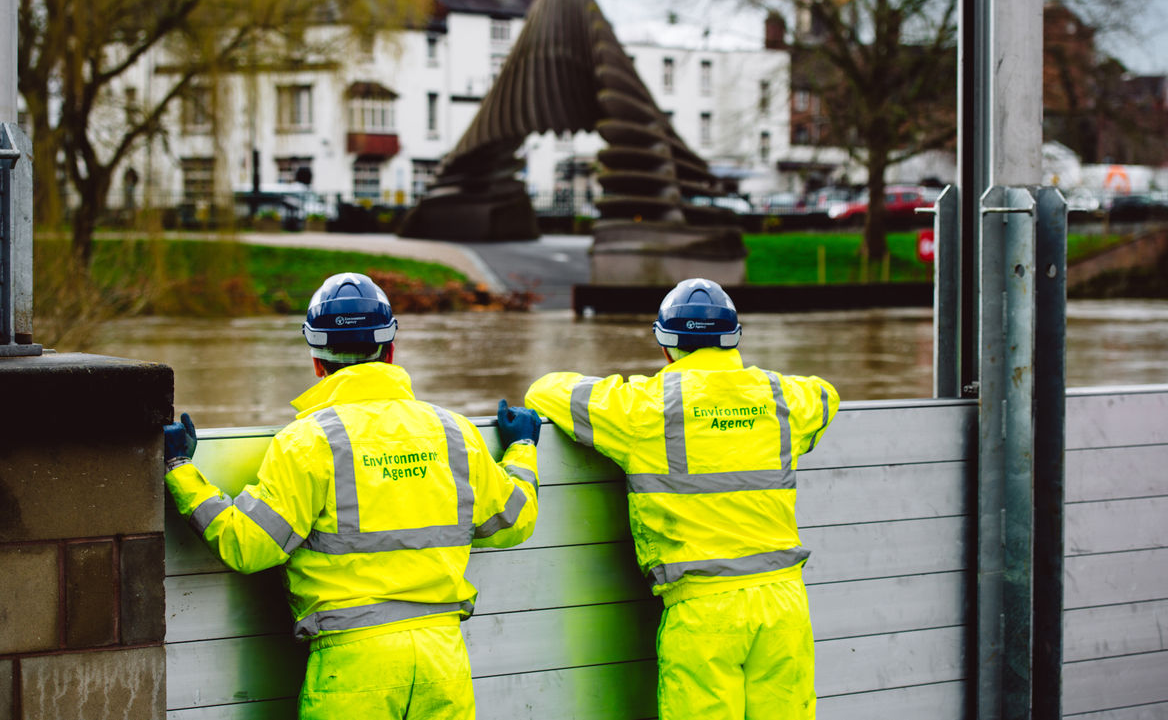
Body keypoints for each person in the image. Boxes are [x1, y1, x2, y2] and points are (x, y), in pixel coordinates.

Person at [163, 272, 541, 719]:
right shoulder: (453, 432)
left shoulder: (306, 442)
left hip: (353, 665)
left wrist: (179, 468)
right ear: (391, 350)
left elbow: (248, 546)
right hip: (444, 659)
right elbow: (514, 521)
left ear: (317, 360)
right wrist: (522, 448)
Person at [524, 277, 838, 720]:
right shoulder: (781, 397)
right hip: (783, 602)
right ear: (733, 340)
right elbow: (825, 395)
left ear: (665, 345)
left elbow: (544, 390)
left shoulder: (643, 407)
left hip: (703, 610)